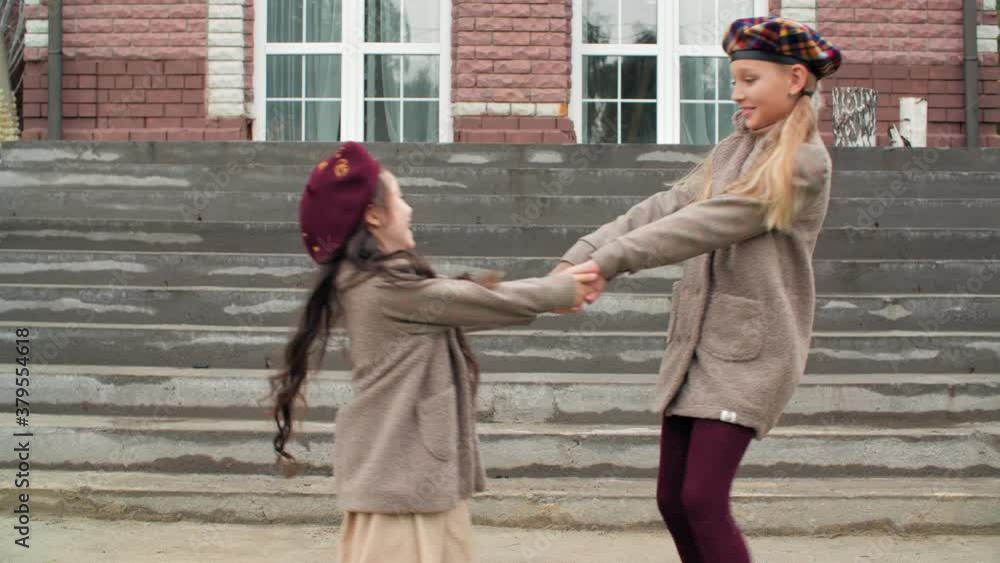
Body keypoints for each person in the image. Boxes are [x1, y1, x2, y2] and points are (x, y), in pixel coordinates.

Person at [551, 17, 842, 563]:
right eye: (735, 80)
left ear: (795, 78)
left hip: (751, 350)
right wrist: (583, 254)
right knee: (672, 499)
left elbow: (710, 221)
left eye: (751, 79)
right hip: (698, 348)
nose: (737, 93)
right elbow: (666, 207)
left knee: (703, 499)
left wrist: (612, 263)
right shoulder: (735, 149)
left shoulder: (802, 162)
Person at [267, 141, 598, 563]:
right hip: (404, 487)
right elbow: (472, 299)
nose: (408, 209)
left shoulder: (378, 284)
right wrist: (564, 289)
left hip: (409, 477)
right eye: (400, 197)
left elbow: (466, 304)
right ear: (373, 214)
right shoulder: (387, 288)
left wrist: (552, 295)